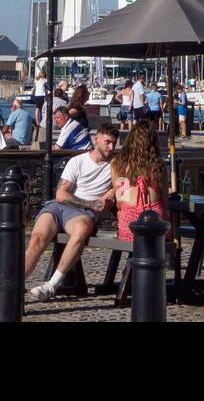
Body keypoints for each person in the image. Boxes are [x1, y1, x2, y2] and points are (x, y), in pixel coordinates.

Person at [23, 122, 119, 300]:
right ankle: (16, 281)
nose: (111, 147)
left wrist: (110, 194)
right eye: (107, 142)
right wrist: (91, 204)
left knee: (81, 230)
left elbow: (116, 191)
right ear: (96, 139)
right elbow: (60, 194)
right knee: (38, 238)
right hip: (60, 207)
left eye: (114, 143)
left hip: (81, 215)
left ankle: (51, 285)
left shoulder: (114, 166)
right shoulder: (78, 161)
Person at [110, 120, 169, 239]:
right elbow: (165, 202)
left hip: (130, 225)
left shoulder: (118, 164)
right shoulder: (158, 166)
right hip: (155, 225)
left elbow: (120, 202)